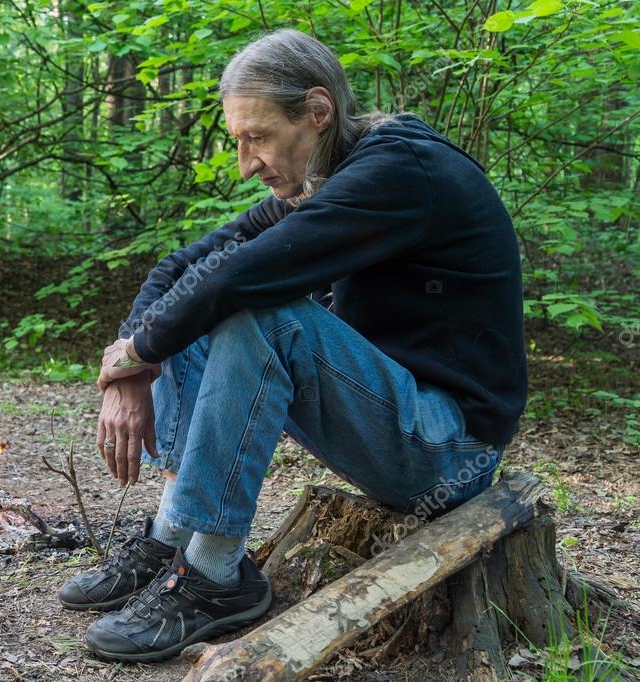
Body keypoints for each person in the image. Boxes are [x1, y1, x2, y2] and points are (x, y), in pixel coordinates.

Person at [57, 28, 527, 663]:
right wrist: (132, 365)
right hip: (391, 418)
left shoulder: (398, 174)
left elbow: (240, 280)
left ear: (317, 111)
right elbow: (186, 267)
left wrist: (141, 351)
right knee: (201, 309)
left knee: (263, 314)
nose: (248, 163)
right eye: (238, 141)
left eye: (259, 137)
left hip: (449, 452)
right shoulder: (327, 180)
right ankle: (173, 537)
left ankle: (216, 575)